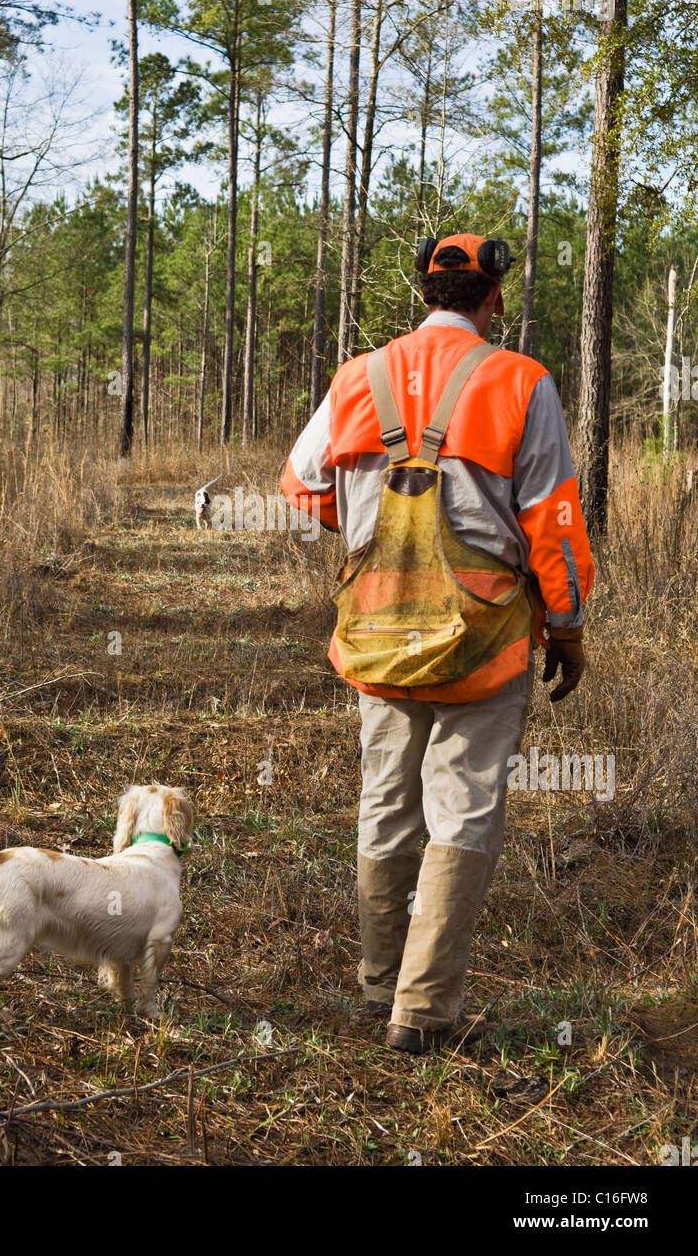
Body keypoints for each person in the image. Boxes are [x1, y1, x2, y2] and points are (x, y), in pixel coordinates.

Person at [281, 233, 594, 1053]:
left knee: (385, 801)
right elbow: (553, 522)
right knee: (462, 807)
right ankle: (419, 1013)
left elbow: (299, 482)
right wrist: (564, 626)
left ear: (425, 293)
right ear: (492, 299)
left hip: (374, 632)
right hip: (482, 642)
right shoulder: (519, 380)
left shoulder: (358, 376)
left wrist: (369, 541)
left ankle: (377, 985)